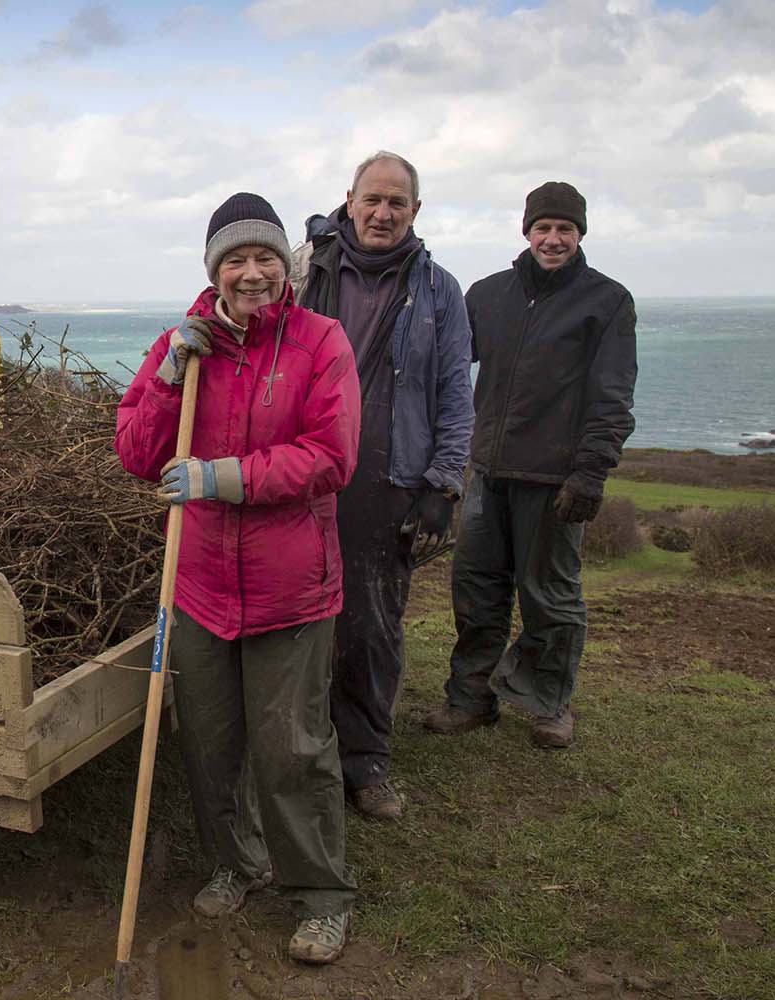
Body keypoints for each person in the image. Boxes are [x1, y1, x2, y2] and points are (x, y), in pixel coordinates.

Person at [115, 193, 361, 964]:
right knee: (210, 744)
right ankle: (237, 861)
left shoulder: (321, 341)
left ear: (285, 266)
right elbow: (135, 452)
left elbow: (331, 456)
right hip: (200, 588)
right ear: (214, 269)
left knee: (292, 747)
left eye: (264, 259)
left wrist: (223, 477)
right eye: (235, 260)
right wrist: (168, 376)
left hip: (292, 585)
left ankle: (320, 895)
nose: (251, 274)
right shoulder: (181, 345)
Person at [288, 152, 474, 820]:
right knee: (302, 625)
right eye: (373, 199)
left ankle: (365, 761)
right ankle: (302, 755)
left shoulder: (439, 289)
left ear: (415, 212)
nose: (383, 213)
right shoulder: (305, 269)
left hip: (390, 480)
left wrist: (443, 484)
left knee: (372, 629)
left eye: (398, 202)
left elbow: (456, 392)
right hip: (301, 475)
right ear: (349, 199)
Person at [425, 182, 637, 749]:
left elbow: (612, 395)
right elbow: (444, 365)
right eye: (543, 228)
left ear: (579, 235)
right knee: (475, 591)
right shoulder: (488, 295)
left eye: (564, 229)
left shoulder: (607, 301)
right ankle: (470, 698)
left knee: (551, 596)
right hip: (486, 473)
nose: (552, 239)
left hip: (554, 479)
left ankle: (551, 702)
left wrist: (591, 471)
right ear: (527, 231)